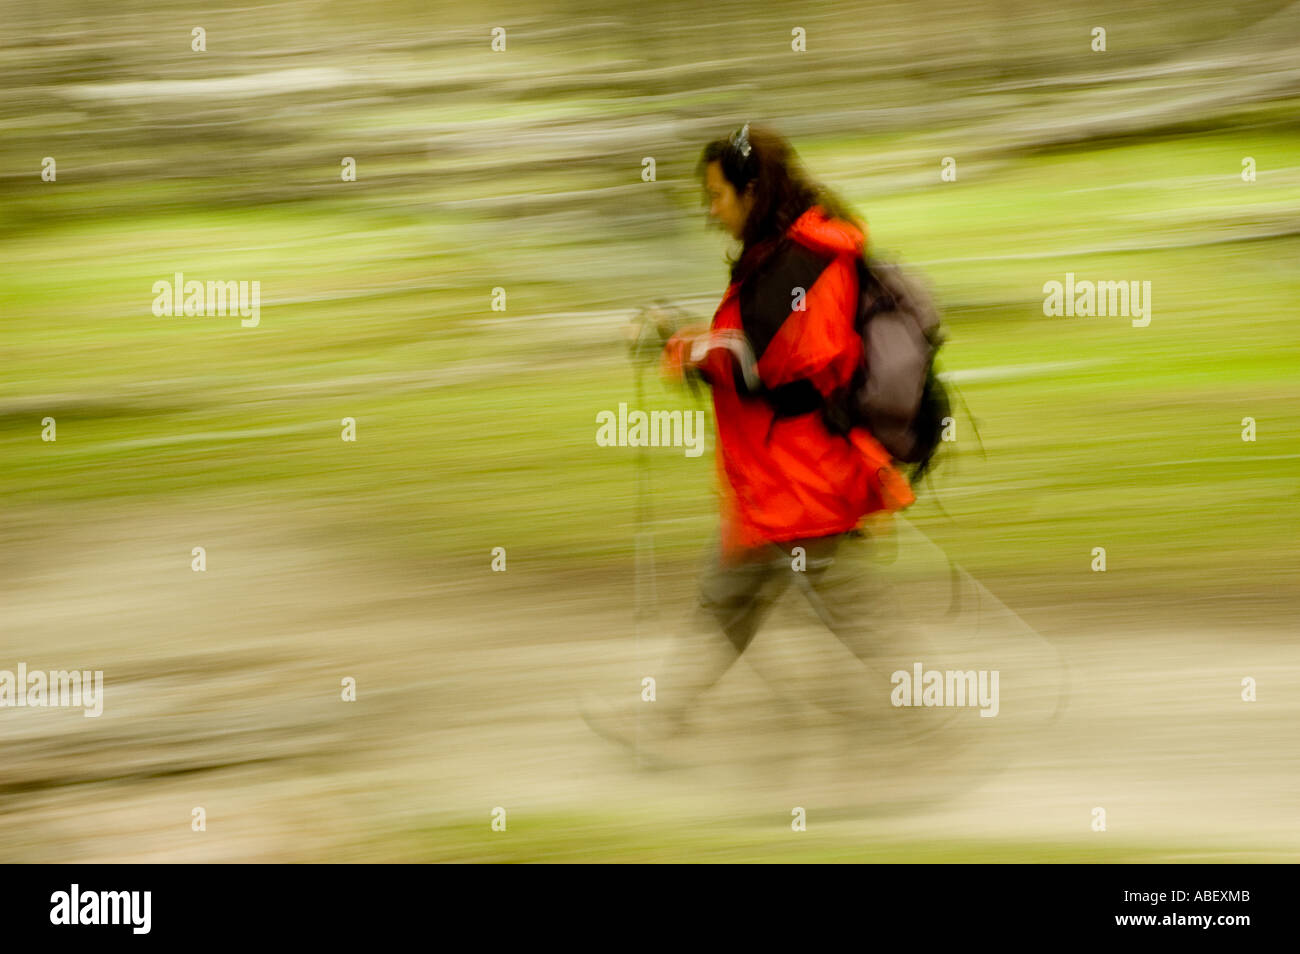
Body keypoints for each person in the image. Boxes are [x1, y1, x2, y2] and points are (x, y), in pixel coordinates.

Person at [583, 123, 919, 758]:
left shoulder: (808, 259)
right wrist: (682, 339)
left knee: (844, 613)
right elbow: (752, 347)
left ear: (753, 190)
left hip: (805, 480)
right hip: (777, 476)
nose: (711, 213)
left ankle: (920, 723)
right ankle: (659, 725)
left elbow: (764, 363)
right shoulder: (787, 250)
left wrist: (678, 348)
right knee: (735, 605)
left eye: (717, 197)